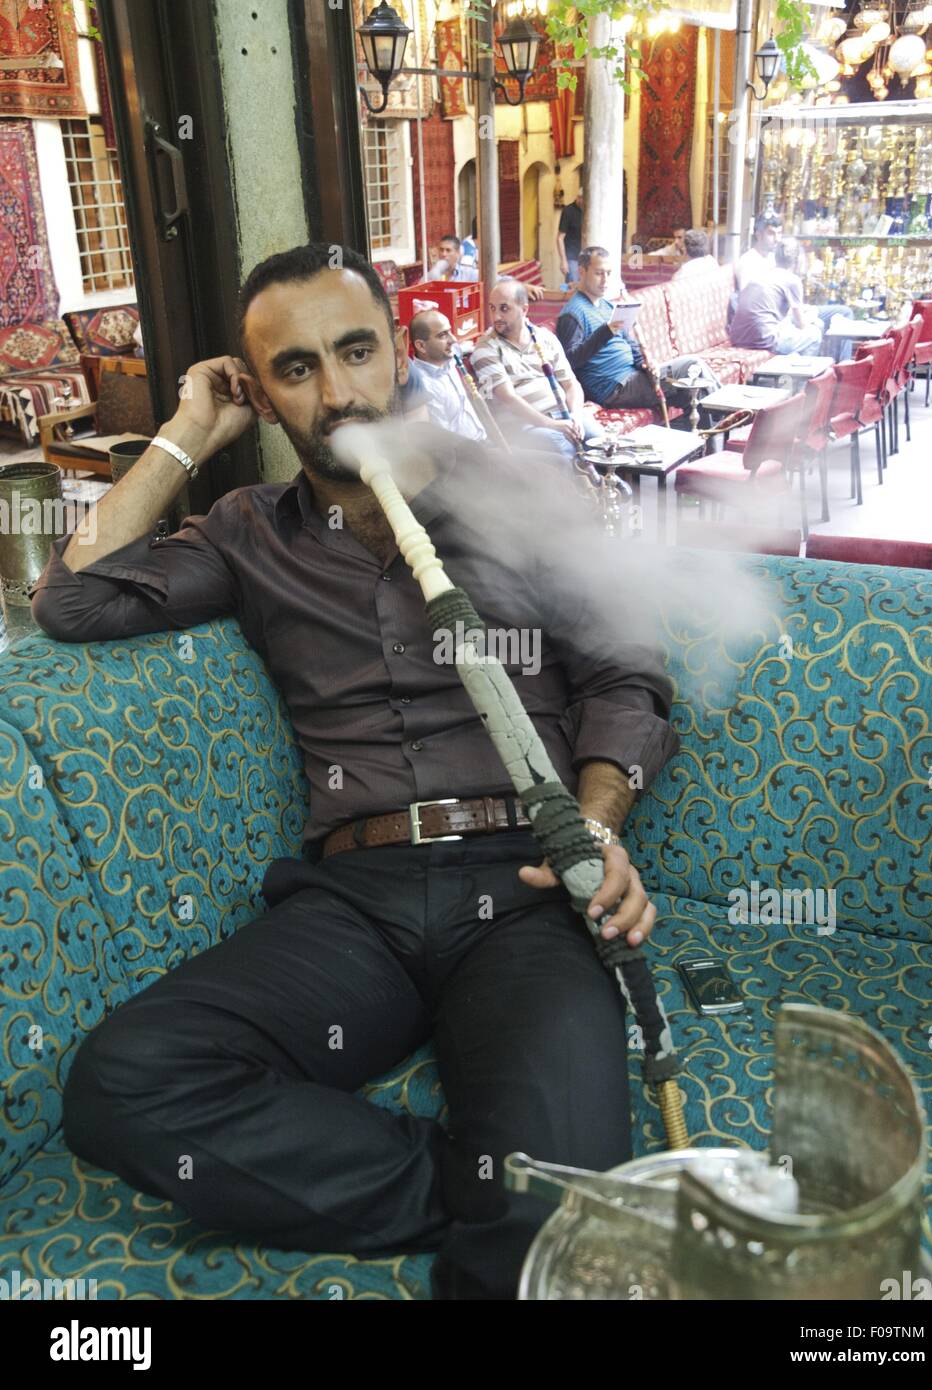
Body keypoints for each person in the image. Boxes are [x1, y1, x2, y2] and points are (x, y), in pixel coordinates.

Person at [31, 242, 679, 1302]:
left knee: (553, 1206)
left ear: (398, 350)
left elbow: (628, 676)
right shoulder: (249, 532)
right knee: (121, 1082)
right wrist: (190, 430)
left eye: (355, 350)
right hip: (355, 903)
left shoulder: (518, 496)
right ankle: (481, 1184)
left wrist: (598, 827)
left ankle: (525, 1195)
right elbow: (72, 600)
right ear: (262, 393)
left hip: (524, 885)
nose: (336, 392)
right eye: (294, 370)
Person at [555, 246, 718, 413]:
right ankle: (729, 412)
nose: (605, 280)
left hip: (633, 377)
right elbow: (569, 362)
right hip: (614, 387)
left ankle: (717, 428)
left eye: (608, 273)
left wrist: (645, 364)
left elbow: (631, 344)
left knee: (692, 393)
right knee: (691, 366)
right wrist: (605, 332)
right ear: (582, 271)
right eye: (599, 273)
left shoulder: (608, 306)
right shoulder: (572, 314)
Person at [470, 276, 604, 461]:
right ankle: (582, 489)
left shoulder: (544, 337)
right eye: (492, 308)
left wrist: (575, 417)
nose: (496, 317)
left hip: (563, 415)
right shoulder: (485, 347)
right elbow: (508, 398)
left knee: (601, 442)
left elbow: (571, 384)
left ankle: (604, 489)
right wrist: (552, 424)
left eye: (504, 308)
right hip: (524, 426)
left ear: (524, 309)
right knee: (564, 449)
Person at [729, 238, 824, 357]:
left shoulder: (762, 274)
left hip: (737, 338)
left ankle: (791, 361)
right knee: (815, 334)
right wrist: (811, 319)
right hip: (764, 340)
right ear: (797, 260)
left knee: (795, 329)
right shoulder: (792, 280)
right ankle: (802, 372)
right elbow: (801, 324)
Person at [409, 309, 486, 441]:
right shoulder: (424, 386)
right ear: (421, 346)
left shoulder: (448, 357)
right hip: (469, 455)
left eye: (450, 331)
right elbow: (447, 442)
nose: (453, 340)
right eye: (443, 335)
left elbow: (460, 347)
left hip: (483, 439)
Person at [735, 213, 782, 292]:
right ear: (758, 235)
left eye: (779, 233)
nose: (777, 239)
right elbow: (747, 298)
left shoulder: (772, 257)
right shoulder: (747, 262)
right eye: (771, 233)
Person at [557, 180, 584, 287]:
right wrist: (563, 261)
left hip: (586, 258)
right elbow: (560, 238)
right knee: (572, 288)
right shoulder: (568, 211)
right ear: (579, 197)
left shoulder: (589, 210)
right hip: (572, 258)